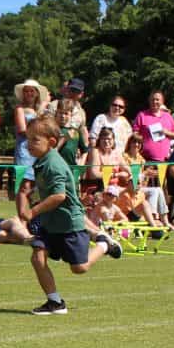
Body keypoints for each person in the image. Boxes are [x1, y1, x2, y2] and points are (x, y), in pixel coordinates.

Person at [20, 114, 119, 316]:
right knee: (37, 257)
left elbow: (58, 196)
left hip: (68, 224)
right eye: (27, 139)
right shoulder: (41, 161)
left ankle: (103, 244)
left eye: (34, 140)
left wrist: (33, 211)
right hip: (50, 224)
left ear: (51, 142)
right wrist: (24, 194)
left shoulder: (53, 164)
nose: (28, 144)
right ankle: (55, 301)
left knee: (79, 268)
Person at [10, 79, 48, 198]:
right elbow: (23, 130)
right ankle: (22, 214)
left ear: (37, 93)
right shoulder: (19, 109)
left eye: (32, 91)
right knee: (25, 186)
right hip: (25, 151)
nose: (29, 93)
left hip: (38, 152)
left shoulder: (41, 111)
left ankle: (33, 214)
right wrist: (40, 112)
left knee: (37, 187)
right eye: (26, 91)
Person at [53, 78, 90, 164]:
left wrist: (82, 161)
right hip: (54, 158)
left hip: (71, 159)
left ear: (81, 94)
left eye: (77, 91)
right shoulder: (54, 104)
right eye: (72, 90)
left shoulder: (81, 112)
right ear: (66, 89)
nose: (73, 93)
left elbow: (82, 133)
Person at [88, 95, 132, 163]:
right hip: (102, 159)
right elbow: (92, 140)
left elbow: (130, 141)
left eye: (121, 106)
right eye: (115, 105)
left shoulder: (125, 122)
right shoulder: (101, 118)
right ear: (110, 105)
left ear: (124, 109)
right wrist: (97, 158)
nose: (117, 108)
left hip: (121, 160)